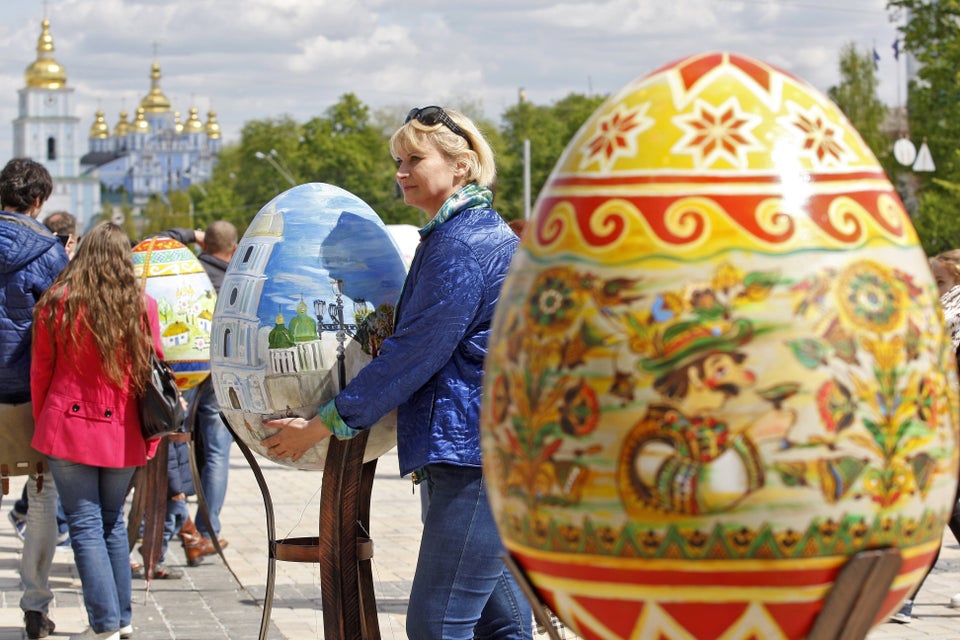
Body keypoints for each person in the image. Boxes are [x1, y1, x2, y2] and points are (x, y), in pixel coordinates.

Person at [262, 106, 532, 639]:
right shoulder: (467, 232)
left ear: (462, 166)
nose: (400, 172)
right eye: (397, 160)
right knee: (500, 621)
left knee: (437, 624)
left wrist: (322, 425)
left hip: (472, 455)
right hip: (487, 446)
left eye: (414, 159)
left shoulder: (458, 245)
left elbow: (413, 355)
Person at [30, 222, 165, 640]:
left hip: (67, 426)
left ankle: (106, 623)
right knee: (110, 524)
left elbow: (41, 373)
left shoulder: (57, 302)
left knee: (85, 525)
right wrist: (153, 436)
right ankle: (121, 619)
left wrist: (43, 425)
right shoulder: (142, 306)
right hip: (122, 431)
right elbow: (156, 375)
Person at [0, 158, 70, 640]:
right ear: (40, 200)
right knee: (43, 496)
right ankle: (33, 607)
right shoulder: (49, 253)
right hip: (28, 390)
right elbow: (62, 321)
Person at [156, 221, 238, 565]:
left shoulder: (189, 270)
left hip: (184, 374)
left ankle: (179, 521)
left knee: (177, 444)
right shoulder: (238, 280)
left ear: (206, 245)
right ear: (232, 250)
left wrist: (190, 235)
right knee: (217, 452)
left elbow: (157, 242)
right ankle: (206, 530)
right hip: (219, 373)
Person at [892, 251, 960, 622]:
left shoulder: (952, 323)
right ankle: (904, 598)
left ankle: (905, 597)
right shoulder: (936, 323)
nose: (933, 291)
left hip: (949, 430)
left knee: (941, 509)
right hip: (937, 429)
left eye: (941, 283)